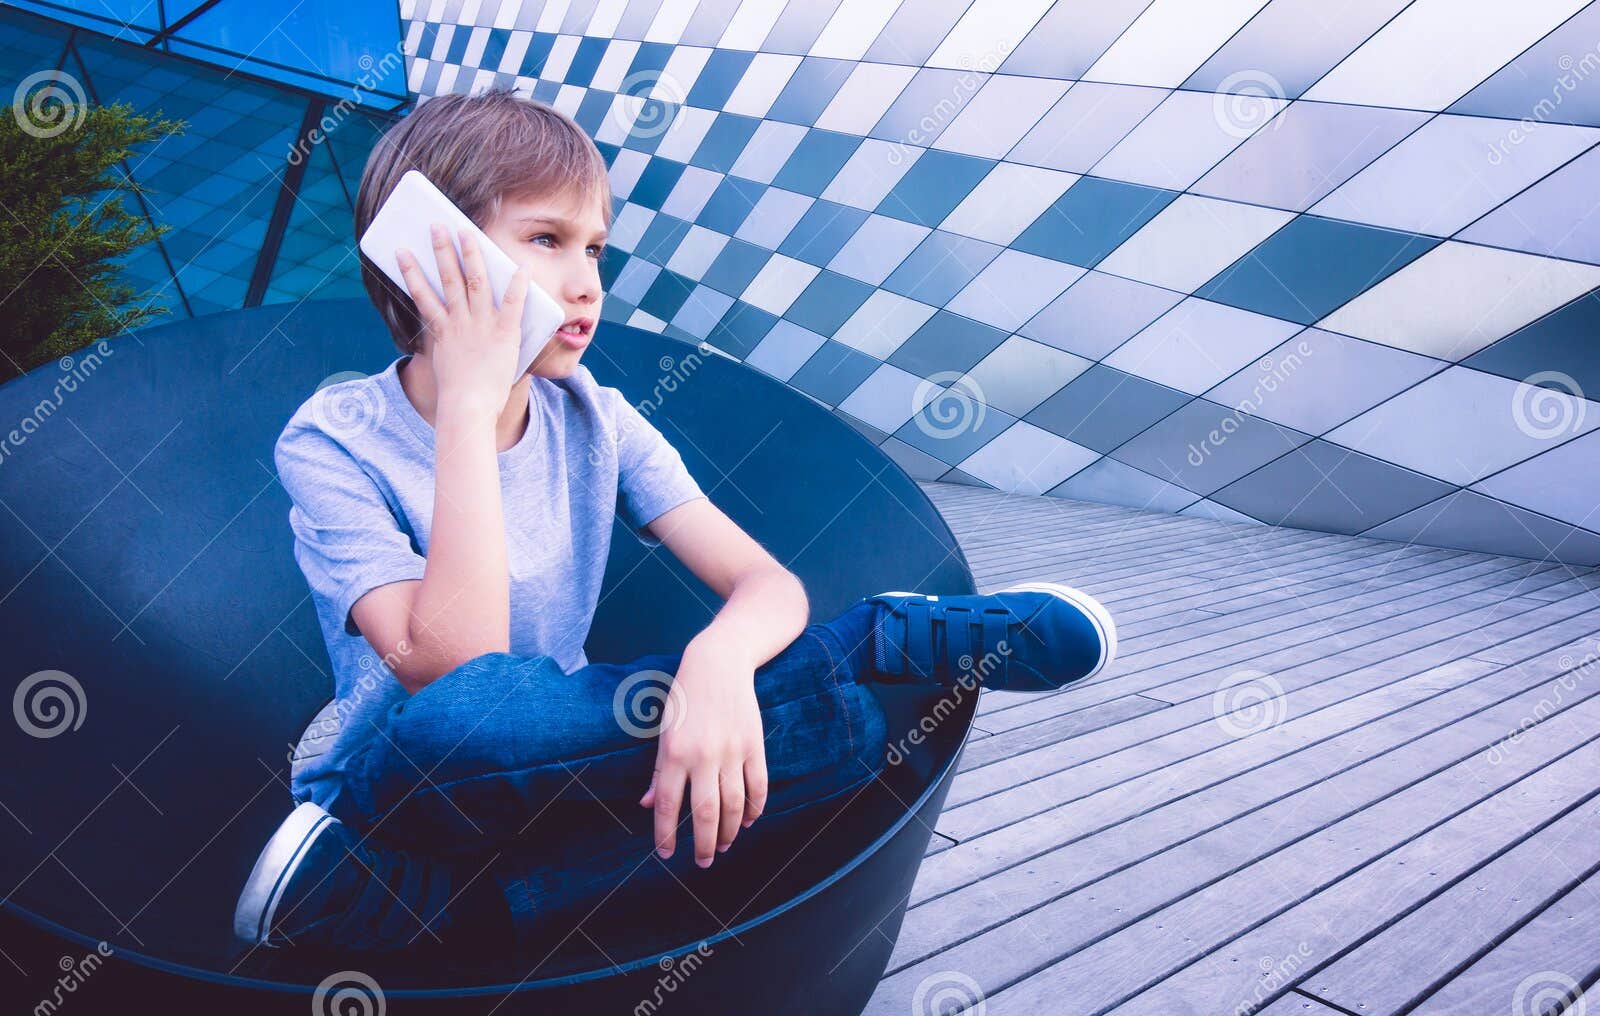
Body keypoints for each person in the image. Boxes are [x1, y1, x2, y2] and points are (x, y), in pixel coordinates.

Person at [233, 91, 1116, 956]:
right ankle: (869, 646)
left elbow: (766, 585)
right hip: (408, 779)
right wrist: (469, 399)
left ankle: (439, 909)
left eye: (595, 248)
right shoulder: (334, 438)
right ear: (430, 253)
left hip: (566, 770)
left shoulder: (600, 419)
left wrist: (716, 668)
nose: (587, 283)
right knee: (487, 718)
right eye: (546, 239)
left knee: (799, 754)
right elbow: (458, 669)